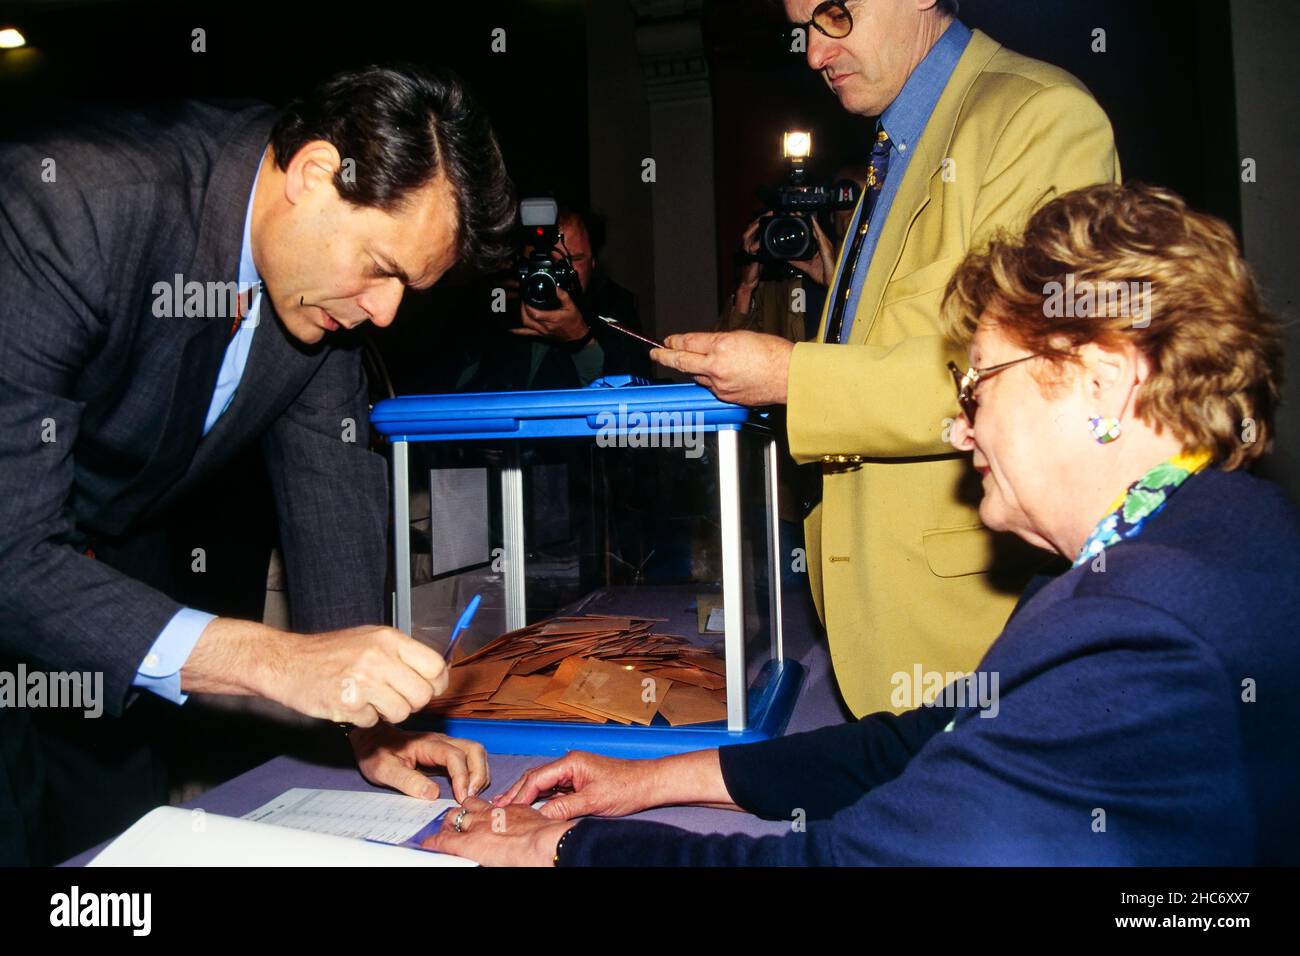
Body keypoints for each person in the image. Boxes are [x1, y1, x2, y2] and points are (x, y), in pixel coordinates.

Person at [420, 183, 1299, 866]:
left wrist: (559, 846)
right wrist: (642, 781)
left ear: (1103, 381)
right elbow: (919, 744)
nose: (960, 429)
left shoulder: (1140, 625)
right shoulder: (1207, 537)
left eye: (979, 385)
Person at [0, 63, 512, 864]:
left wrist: (365, 724)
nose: (384, 312)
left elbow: (331, 501)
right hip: (21, 547)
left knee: (118, 850)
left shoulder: (316, 295)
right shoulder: (69, 205)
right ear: (313, 173)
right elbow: (10, 550)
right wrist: (276, 662)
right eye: (382, 268)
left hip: (110, 580)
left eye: (409, 288)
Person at [653, 0, 1121, 718]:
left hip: (971, 630)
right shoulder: (899, 139)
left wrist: (788, 376)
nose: (813, 53)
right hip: (879, 624)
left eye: (835, 15)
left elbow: (1027, 370)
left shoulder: (1038, 115)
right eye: (804, 26)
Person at [458, 204, 651, 391]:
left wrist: (581, 341)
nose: (558, 272)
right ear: (522, 265)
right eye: (546, 262)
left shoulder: (614, 308)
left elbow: (629, 403)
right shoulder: (498, 305)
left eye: (574, 260)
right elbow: (455, 395)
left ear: (593, 263)